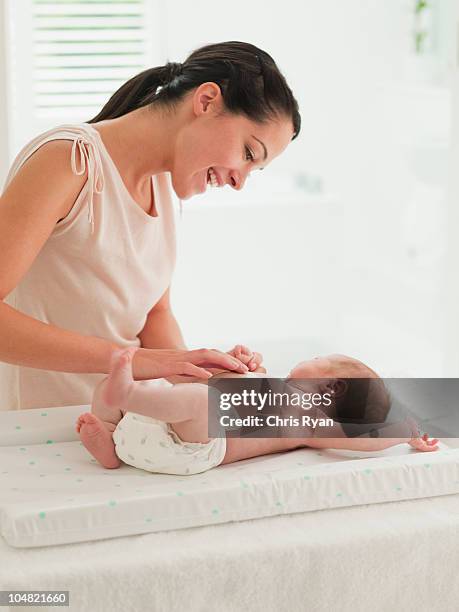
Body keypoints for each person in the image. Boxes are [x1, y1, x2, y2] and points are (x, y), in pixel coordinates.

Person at [0, 41, 301, 410]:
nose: (240, 181)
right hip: (45, 429)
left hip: (124, 428)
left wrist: (205, 374)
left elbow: (154, 317)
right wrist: (131, 360)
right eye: (248, 153)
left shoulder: (165, 186)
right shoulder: (70, 161)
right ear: (206, 101)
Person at [76, 347, 439, 475]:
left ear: (334, 387)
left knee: (201, 403)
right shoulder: (271, 386)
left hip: (195, 447)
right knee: (110, 390)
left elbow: (361, 440)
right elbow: (224, 382)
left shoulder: (309, 426)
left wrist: (405, 431)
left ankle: (126, 396)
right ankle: (109, 441)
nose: (306, 359)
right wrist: (243, 364)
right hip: (155, 430)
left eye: (317, 360)